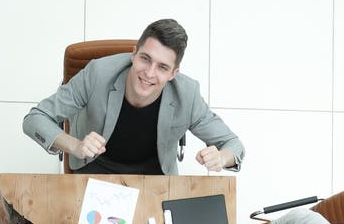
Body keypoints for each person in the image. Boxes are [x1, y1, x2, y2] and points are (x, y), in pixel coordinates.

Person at [23, 18, 244, 175]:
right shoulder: (98, 74)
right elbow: (35, 119)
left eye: (162, 67)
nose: (149, 73)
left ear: (173, 74)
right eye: (145, 59)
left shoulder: (187, 94)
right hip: (95, 173)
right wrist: (75, 145)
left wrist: (222, 158)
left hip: (155, 181)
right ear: (134, 53)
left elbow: (233, 144)